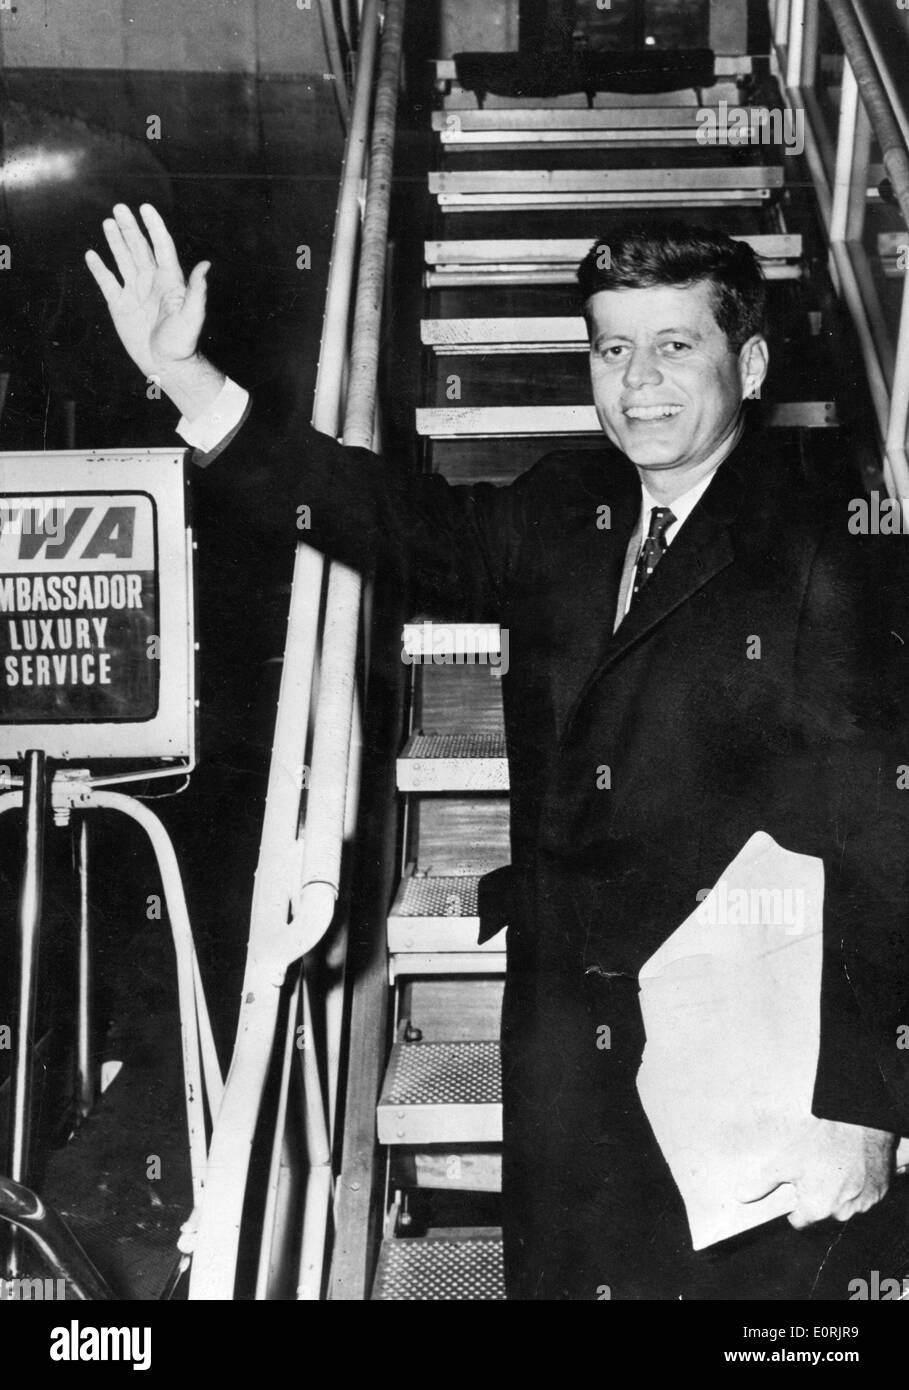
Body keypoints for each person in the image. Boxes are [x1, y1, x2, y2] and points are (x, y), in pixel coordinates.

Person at [86, 204, 909, 1300]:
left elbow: (883, 837)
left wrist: (865, 1100)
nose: (640, 380)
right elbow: (377, 513)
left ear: (750, 365)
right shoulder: (564, 507)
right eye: (613, 348)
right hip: (566, 1035)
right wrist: (192, 380)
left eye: (676, 345)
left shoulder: (824, 545)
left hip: (747, 1054)